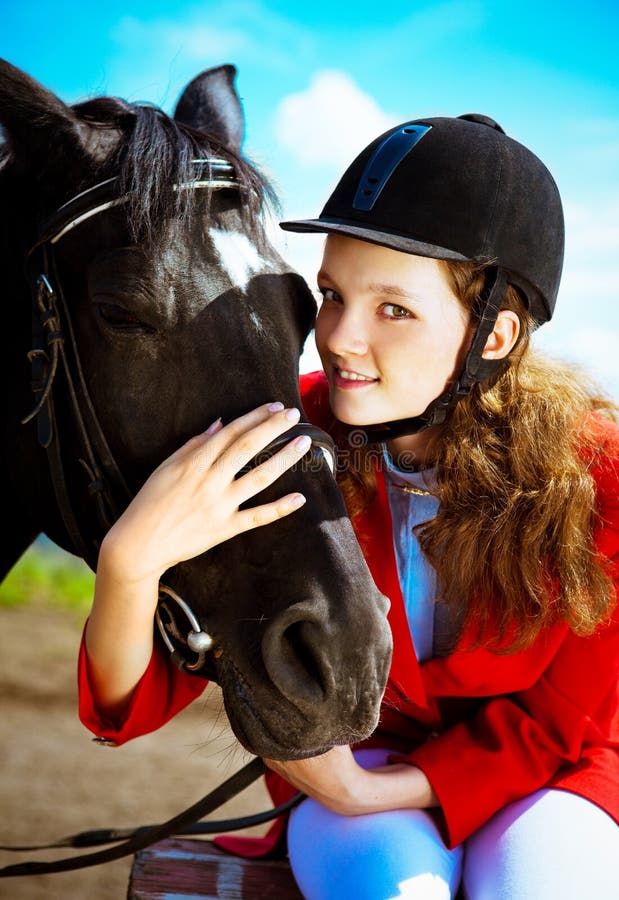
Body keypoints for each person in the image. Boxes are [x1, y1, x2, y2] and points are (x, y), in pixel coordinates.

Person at [79, 114, 619, 899]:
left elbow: (555, 725)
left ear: (494, 335)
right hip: (345, 767)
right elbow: (135, 704)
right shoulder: (273, 437)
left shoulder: (601, 477)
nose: (336, 338)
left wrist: (366, 792)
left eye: (391, 310)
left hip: (548, 780)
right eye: (331, 294)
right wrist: (128, 565)